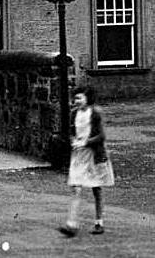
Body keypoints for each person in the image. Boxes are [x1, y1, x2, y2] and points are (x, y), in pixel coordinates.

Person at [59, 86, 114, 237]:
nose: (76, 101)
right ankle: (72, 224)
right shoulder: (73, 114)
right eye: (75, 98)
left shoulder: (95, 113)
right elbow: (71, 132)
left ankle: (99, 222)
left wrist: (85, 142)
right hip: (78, 155)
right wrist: (73, 141)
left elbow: (101, 136)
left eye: (79, 98)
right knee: (75, 188)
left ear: (87, 98)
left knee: (96, 188)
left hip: (94, 154)